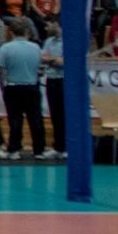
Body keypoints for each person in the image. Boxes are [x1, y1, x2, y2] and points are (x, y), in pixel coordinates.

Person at [0, 19, 44, 160]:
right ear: (27, 32)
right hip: (32, 86)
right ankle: (39, 150)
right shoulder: (35, 47)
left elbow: (0, 71)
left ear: (11, 32)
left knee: (15, 120)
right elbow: (40, 68)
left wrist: (3, 88)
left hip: (13, 87)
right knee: (35, 119)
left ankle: (14, 149)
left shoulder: (5, 48)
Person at [39, 20, 66, 160]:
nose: (47, 26)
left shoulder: (69, 40)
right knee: (55, 115)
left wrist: (52, 59)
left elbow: (64, 61)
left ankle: (67, 147)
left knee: (65, 114)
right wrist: (55, 59)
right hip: (52, 80)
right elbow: (42, 57)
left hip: (65, 80)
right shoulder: (49, 41)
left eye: (50, 24)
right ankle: (58, 147)